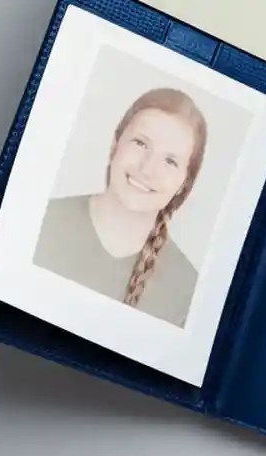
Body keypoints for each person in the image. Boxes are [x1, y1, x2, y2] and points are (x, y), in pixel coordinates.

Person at [34, 87, 208, 328]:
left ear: (184, 183)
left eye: (170, 161)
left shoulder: (189, 293)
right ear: (115, 145)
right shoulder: (41, 222)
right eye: (140, 143)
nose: (147, 169)